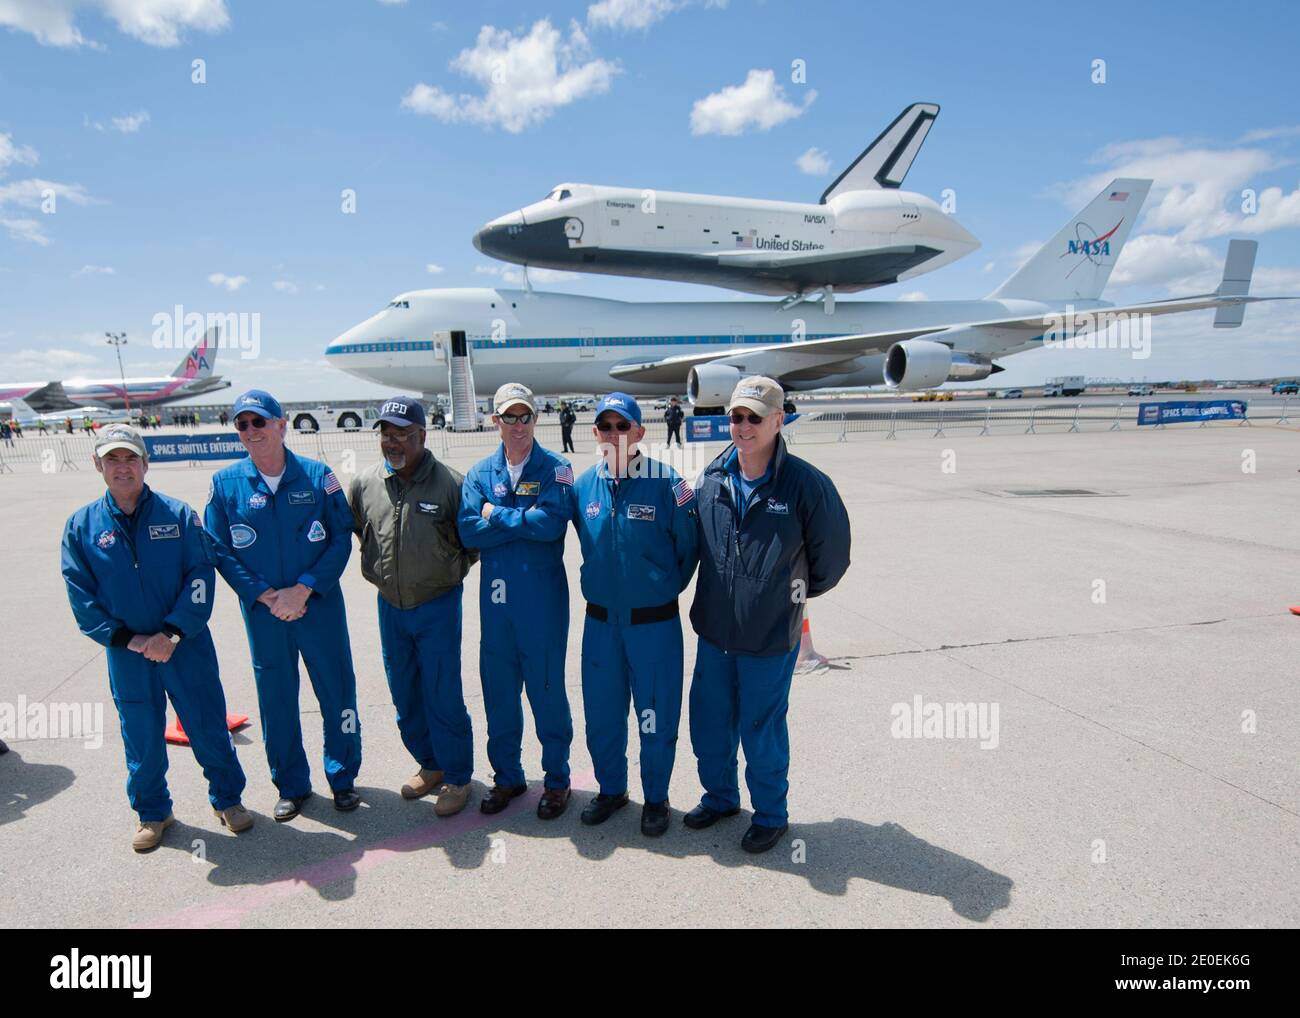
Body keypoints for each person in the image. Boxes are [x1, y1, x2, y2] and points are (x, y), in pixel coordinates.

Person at [60, 424, 251, 851]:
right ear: (98, 466)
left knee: (206, 725)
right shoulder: (81, 526)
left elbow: (200, 576)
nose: (122, 467)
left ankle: (228, 799)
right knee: (141, 735)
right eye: (113, 459)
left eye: (131, 458)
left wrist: (172, 632)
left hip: (185, 646)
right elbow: (80, 594)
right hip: (128, 654)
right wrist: (128, 640)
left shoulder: (179, 515)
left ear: (146, 463)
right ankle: (152, 811)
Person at [686, 376, 851, 853]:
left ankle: (771, 815)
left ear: (779, 420)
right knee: (711, 722)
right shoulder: (712, 479)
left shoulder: (806, 485)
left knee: (762, 728)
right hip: (715, 632)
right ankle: (719, 798)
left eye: (755, 417)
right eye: (736, 416)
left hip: (769, 636)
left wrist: (784, 596)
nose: (743, 425)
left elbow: (831, 558)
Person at [204, 389, 363, 821]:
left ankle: (344, 777)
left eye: (260, 422)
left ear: (281, 424)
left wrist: (305, 588)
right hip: (265, 614)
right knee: (276, 700)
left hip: (319, 608)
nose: (251, 431)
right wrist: (262, 593)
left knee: (337, 693)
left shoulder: (318, 476)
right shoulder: (224, 484)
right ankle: (291, 785)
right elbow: (218, 548)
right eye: (243, 424)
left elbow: (340, 536)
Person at [571, 393, 699, 835]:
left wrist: (656, 591)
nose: (613, 435)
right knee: (603, 714)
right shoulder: (582, 487)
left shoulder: (668, 484)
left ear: (640, 433)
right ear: (595, 434)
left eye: (622, 427)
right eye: (605, 427)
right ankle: (611, 790)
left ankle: (657, 799)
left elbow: (689, 550)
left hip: (654, 627)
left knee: (656, 715)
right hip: (601, 625)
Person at [348, 397, 478, 816]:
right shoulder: (365, 483)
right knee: (404, 691)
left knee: (442, 691)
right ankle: (431, 764)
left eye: (404, 433)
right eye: (388, 434)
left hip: (437, 604)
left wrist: (441, 568)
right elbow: (359, 531)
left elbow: (471, 544)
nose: (395, 442)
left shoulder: (451, 484)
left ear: (423, 435)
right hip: (390, 605)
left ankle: (457, 776)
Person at [458, 382, 575, 818]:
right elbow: (468, 531)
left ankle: (557, 781)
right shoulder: (478, 474)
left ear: (535, 419)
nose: (519, 424)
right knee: (499, 695)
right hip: (497, 609)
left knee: (547, 694)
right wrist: (518, 520)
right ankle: (507, 776)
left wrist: (494, 514)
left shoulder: (556, 468)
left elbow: (550, 526)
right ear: (496, 422)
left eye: (525, 416)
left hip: (541, 608)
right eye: (510, 416)